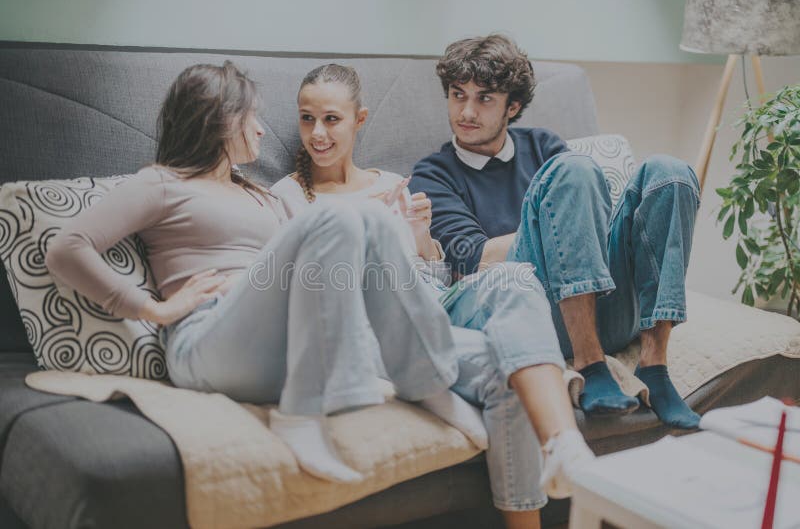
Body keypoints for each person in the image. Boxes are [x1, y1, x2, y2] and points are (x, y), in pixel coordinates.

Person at [43, 60, 501, 486]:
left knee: (385, 233)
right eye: (251, 117)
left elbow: (318, 279)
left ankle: (426, 381)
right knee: (339, 217)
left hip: (286, 344)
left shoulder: (261, 195)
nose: (263, 128)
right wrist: (153, 308)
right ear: (220, 121)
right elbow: (67, 248)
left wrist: (394, 235)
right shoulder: (163, 183)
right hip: (208, 343)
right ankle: (301, 414)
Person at [271, 63, 595, 529]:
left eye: (331, 119)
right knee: (507, 370)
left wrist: (421, 236)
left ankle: (563, 445)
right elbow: (295, 291)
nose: (317, 133)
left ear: (359, 120)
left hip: (435, 300)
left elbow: (440, 276)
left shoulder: (395, 184)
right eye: (307, 119)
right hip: (378, 320)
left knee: (516, 277)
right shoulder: (288, 198)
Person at [410, 34, 702, 429]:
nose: (466, 111)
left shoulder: (543, 145)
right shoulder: (433, 173)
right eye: (458, 95)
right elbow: (474, 257)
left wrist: (575, 222)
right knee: (574, 171)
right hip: (534, 313)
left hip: (609, 306)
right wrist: (559, 223)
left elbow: (585, 220)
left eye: (484, 99)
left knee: (671, 173)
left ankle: (655, 365)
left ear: (512, 107)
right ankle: (590, 363)